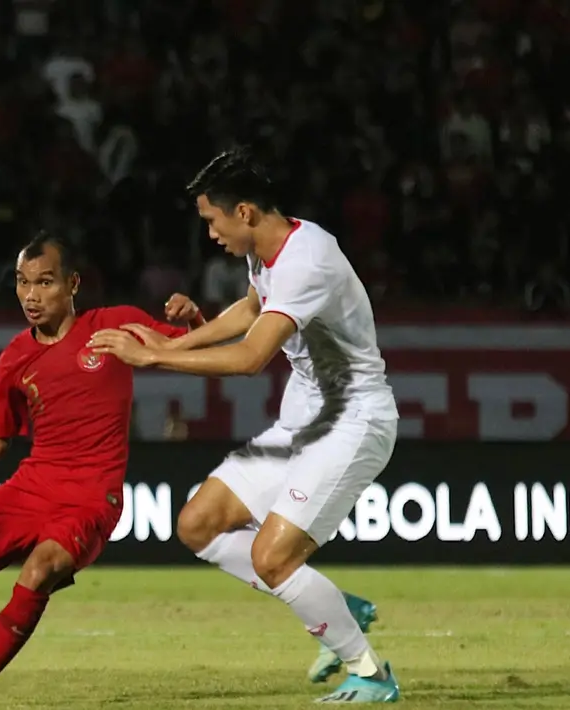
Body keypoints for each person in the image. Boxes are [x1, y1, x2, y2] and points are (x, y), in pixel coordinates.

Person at [89, 147, 400, 704]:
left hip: (352, 423)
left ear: (247, 213)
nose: (209, 233)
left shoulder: (307, 258)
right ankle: (333, 605)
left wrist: (156, 358)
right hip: (302, 424)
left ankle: (371, 673)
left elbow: (252, 357)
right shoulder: (268, 251)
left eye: (212, 220)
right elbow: (252, 309)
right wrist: (178, 339)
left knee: (272, 559)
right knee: (198, 524)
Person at [0, 232, 203, 706]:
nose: (31, 296)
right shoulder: (16, 357)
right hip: (32, 485)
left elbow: (187, 350)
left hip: (91, 497)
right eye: (22, 283)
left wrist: (192, 320)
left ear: (73, 284)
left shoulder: (115, 326)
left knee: (42, 568)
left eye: (44, 283)